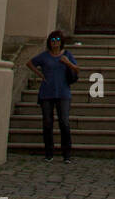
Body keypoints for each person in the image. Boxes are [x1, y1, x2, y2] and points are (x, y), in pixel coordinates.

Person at [26, 30, 78, 163]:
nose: (55, 43)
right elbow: (30, 63)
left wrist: (67, 63)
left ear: (61, 42)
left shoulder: (67, 55)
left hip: (63, 93)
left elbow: (77, 69)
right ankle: (49, 153)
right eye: (53, 41)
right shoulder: (44, 56)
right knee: (47, 123)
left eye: (57, 41)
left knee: (64, 123)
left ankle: (67, 154)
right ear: (50, 42)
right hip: (47, 93)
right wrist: (40, 74)